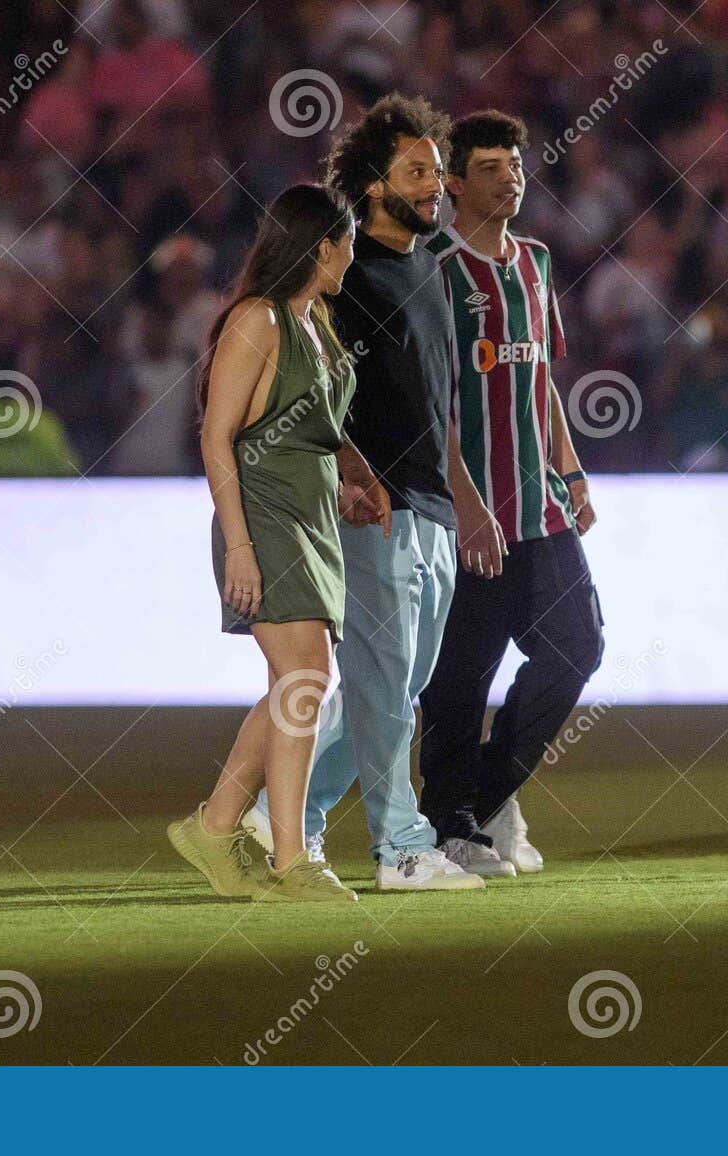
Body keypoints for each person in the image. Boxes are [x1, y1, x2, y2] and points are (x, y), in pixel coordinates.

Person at [246, 95, 485, 891]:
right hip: (368, 511)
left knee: (397, 687)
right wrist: (351, 468)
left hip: (433, 508)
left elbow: (439, 400)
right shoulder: (337, 278)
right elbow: (311, 393)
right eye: (417, 173)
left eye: (437, 172)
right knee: (387, 686)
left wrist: (467, 499)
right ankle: (401, 849)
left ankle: (287, 813)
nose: (436, 187)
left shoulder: (434, 265)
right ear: (372, 184)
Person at [165, 183, 375, 904]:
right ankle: (290, 858)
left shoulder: (317, 318)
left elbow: (315, 424)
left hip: (313, 512)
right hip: (264, 510)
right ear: (322, 246)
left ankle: (216, 826)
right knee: (306, 677)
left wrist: (348, 478)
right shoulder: (257, 320)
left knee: (299, 683)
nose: (353, 256)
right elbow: (217, 434)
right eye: (347, 242)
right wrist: (239, 547)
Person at [417, 110, 605, 876]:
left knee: (577, 650)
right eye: (490, 167)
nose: (510, 176)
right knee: (462, 675)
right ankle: (451, 822)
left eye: (515, 164)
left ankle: (485, 797)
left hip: (540, 505)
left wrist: (571, 467)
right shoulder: (432, 267)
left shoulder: (534, 261)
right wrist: (464, 502)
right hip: (468, 510)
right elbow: (430, 399)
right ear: (455, 183)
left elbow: (541, 380)